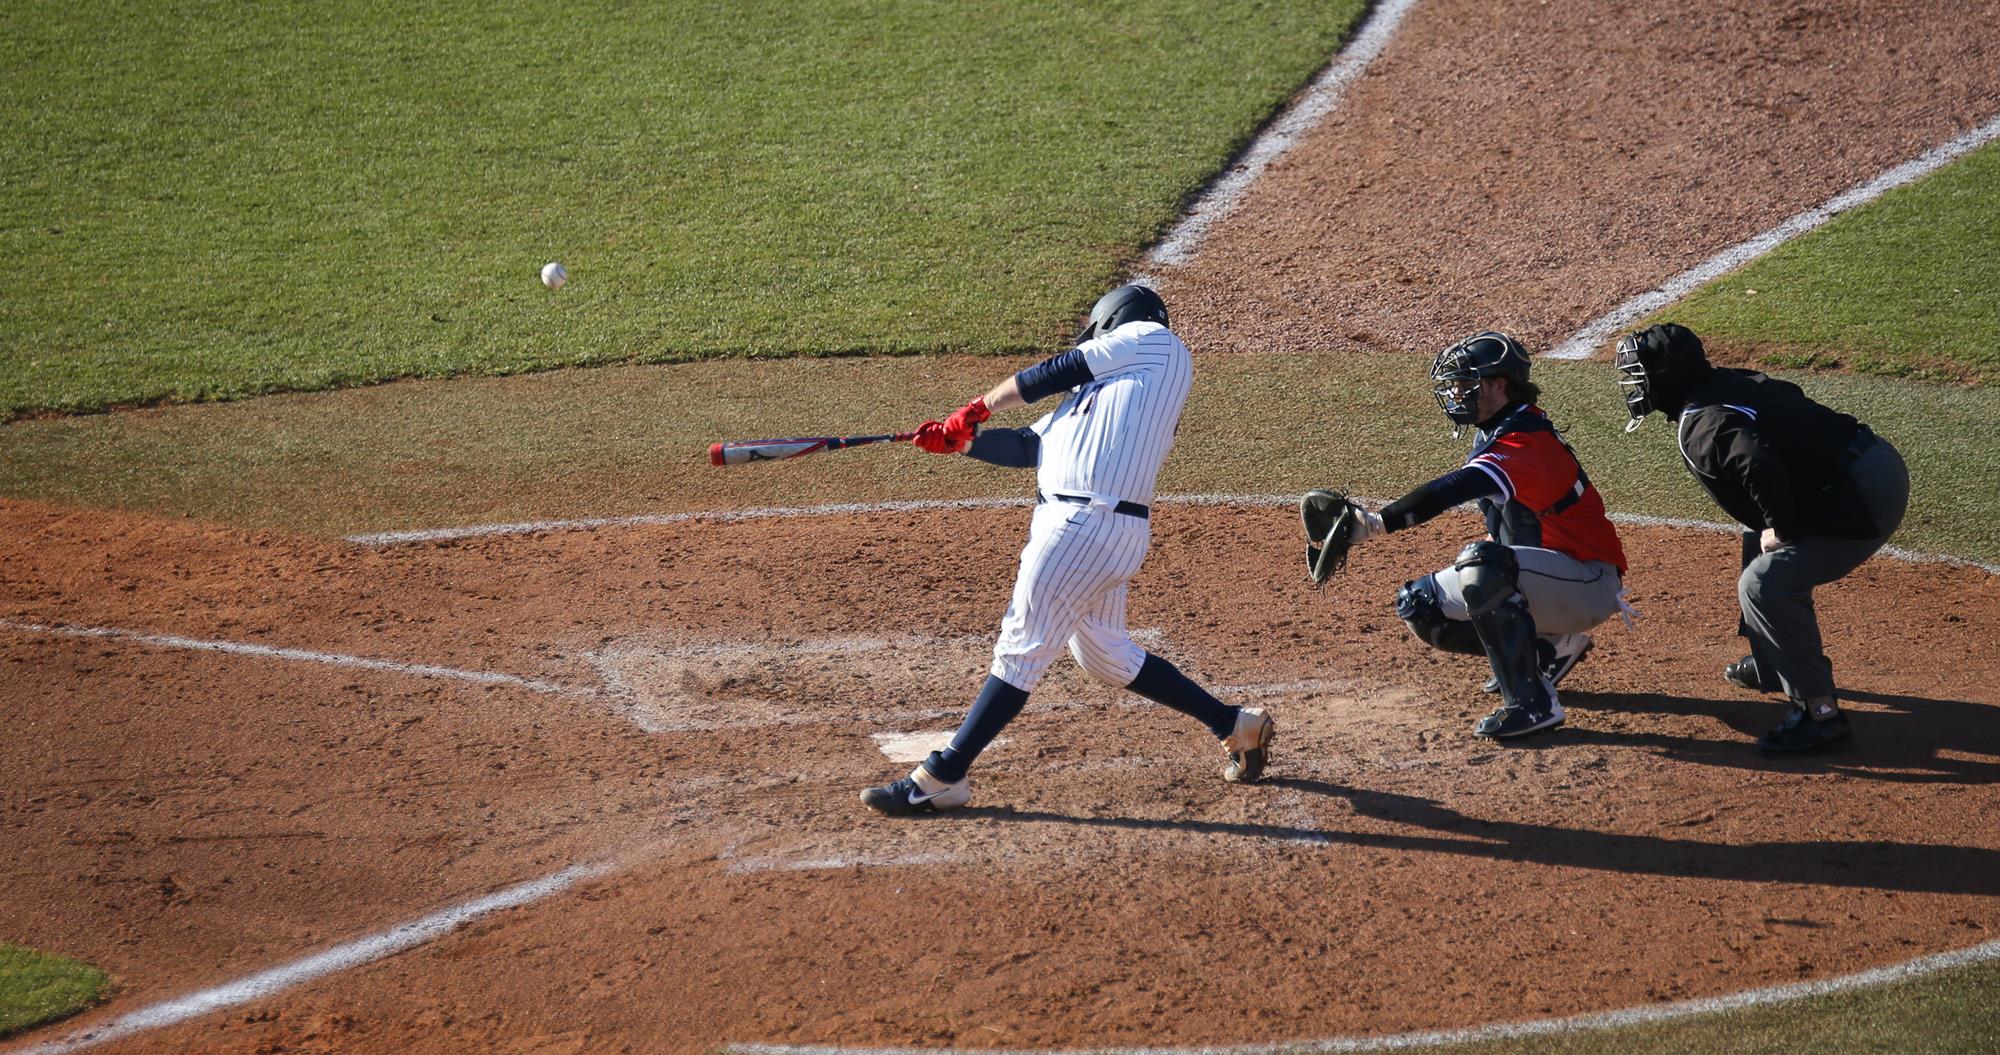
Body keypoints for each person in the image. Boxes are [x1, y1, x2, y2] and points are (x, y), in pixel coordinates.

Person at [859, 284, 1276, 815]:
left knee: (1022, 645)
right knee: (1106, 654)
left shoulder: (1155, 341)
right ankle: (1233, 724)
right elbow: (1030, 445)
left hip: (1085, 524)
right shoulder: (1099, 397)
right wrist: (961, 442)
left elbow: (1061, 366)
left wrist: (978, 406)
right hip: (1096, 529)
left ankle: (944, 774)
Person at [1613, 323, 1909, 753]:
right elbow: (1787, 397)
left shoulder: (1702, 426)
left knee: (1764, 583)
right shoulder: (1726, 381)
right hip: (1875, 462)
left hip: (1862, 498)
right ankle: (1772, 663)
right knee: (1759, 534)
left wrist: (1783, 528)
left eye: (1640, 373)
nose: (1634, 384)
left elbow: (1755, 459)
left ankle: (1819, 714)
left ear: (1665, 377)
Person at [1320, 332, 1631, 739]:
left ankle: (1533, 705)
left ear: (1499, 385)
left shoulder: (1525, 442)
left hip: (1588, 579)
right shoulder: (1498, 429)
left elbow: (1453, 488)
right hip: (1553, 573)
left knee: (1484, 567)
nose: (1455, 393)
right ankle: (1546, 651)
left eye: (1467, 384)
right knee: (1421, 606)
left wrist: (1378, 523)